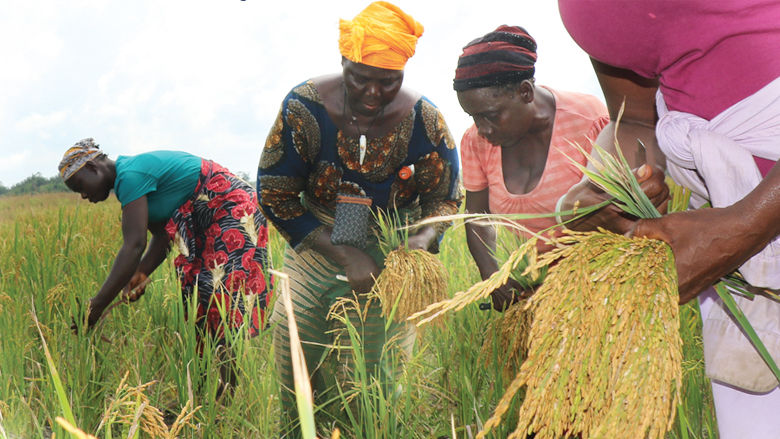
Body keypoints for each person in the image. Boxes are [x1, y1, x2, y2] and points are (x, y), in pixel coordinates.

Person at [557, 1, 780, 437]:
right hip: (723, 237)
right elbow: (636, 117)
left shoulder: (739, 229)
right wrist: (605, 184)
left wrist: (750, 223)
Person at [256, 1, 461, 431]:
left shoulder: (425, 121)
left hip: (390, 253)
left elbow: (445, 200)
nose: (373, 94)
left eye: (388, 82)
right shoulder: (304, 108)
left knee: (376, 376)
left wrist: (419, 243)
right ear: (343, 62)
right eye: (360, 79)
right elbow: (275, 194)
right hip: (317, 239)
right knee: (296, 352)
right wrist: (345, 256)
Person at [60, 139, 272, 393]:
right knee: (194, 297)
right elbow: (162, 237)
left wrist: (95, 307)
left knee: (215, 296)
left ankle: (227, 394)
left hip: (231, 208)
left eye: (81, 186)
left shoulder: (130, 176)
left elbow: (134, 245)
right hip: (208, 218)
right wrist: (139, 275)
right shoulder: (130, 182)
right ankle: (203, 390)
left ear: (93, 167)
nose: (84, 195)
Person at [454, 25, 609, 311]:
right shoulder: (475, 141)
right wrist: (493, 276)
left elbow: (623, 215)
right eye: (473, 117)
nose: (482, 129)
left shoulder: (587, 120)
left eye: (490, 116)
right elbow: (478, 215)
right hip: (530, 296)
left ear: (525, 92)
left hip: (596, 290)